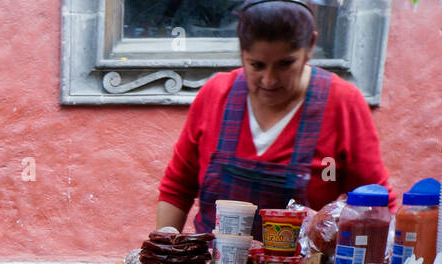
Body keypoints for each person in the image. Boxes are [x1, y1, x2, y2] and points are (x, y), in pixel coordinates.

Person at [156, 0, 393, 236]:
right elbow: (178, 187)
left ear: (310, 45)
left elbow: (375, 204)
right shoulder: (215, 95)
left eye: (285, 64)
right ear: (242, 53)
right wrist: (164, 251)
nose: (269, 80)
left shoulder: (342, 103)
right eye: (257, 65)